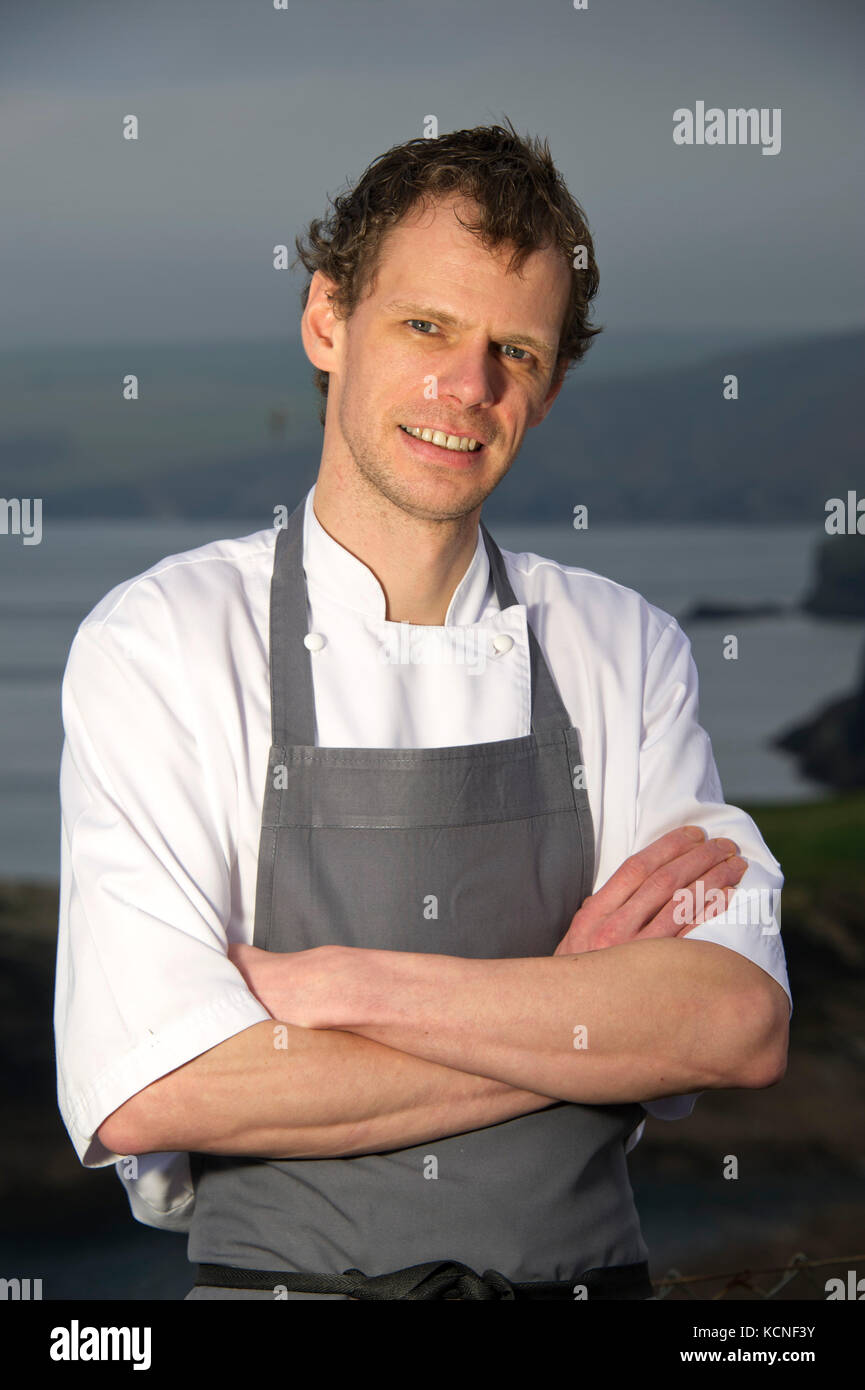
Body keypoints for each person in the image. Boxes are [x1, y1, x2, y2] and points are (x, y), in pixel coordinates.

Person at [54, 121, 791, 1301]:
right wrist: (582, 1017)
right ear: (326, 320)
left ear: (546, 389)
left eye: (517, 350)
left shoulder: (622, 645)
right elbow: (158, 1085)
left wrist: (350, 986)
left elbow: (736, 1024)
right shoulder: (163, 642)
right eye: (426, 326)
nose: (469, 387)